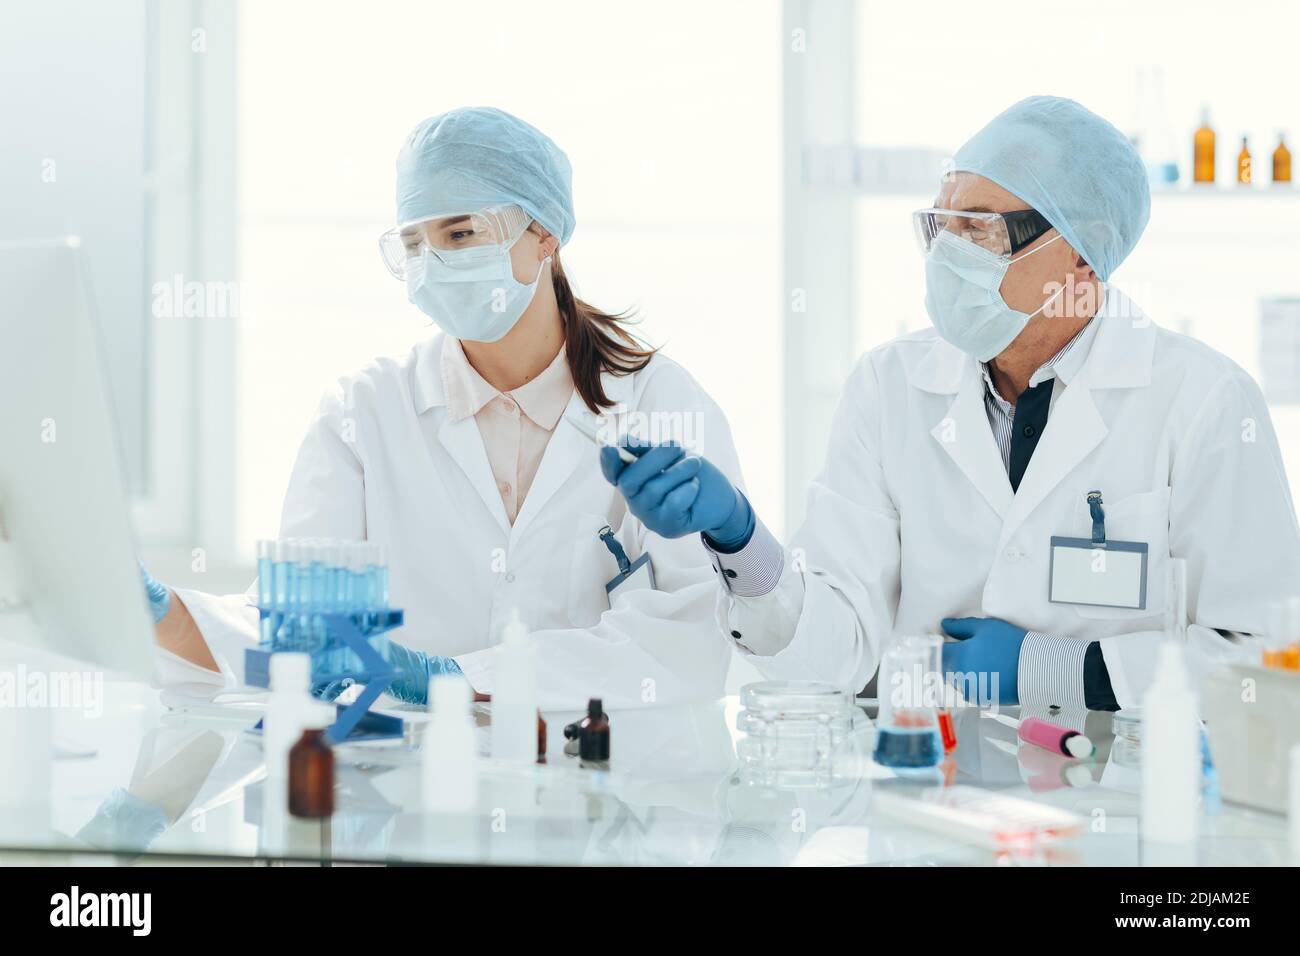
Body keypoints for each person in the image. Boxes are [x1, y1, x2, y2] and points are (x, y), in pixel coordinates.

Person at [600, 96, 1300, 717]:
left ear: (1083, 260)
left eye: (981, 230)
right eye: (942, 227)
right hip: (926, 797)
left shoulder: (1204, 401)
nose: (947, 255)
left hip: (1117, 811)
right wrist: (742, 542)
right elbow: (833, 654)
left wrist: (1068, 671)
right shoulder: (889, 386)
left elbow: (1263, 658)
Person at [142, 107, 745, 708]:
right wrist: (161, 612)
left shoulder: (658, 404)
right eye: (413, 243)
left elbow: (684, 644)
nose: (431, 265)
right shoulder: (363, 414)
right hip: (412, 786)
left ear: (545, 235)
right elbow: (300, 633)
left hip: (608, 785)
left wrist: (457, 677)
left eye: (460, 234)